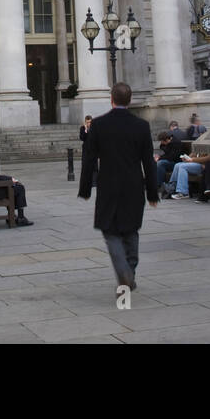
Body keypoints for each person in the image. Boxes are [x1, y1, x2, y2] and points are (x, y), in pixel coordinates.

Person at [78, 82, 158, 291]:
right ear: (130, 101)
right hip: (133, 185)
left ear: (111, 99)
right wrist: (153, 193)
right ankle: (129, 271)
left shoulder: (99, 125)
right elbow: (148, 162)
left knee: (110, 231)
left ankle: (123, 271)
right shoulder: (141, 126)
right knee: (131, 229)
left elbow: (89, 159)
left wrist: (85, 189)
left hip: (108, 185)